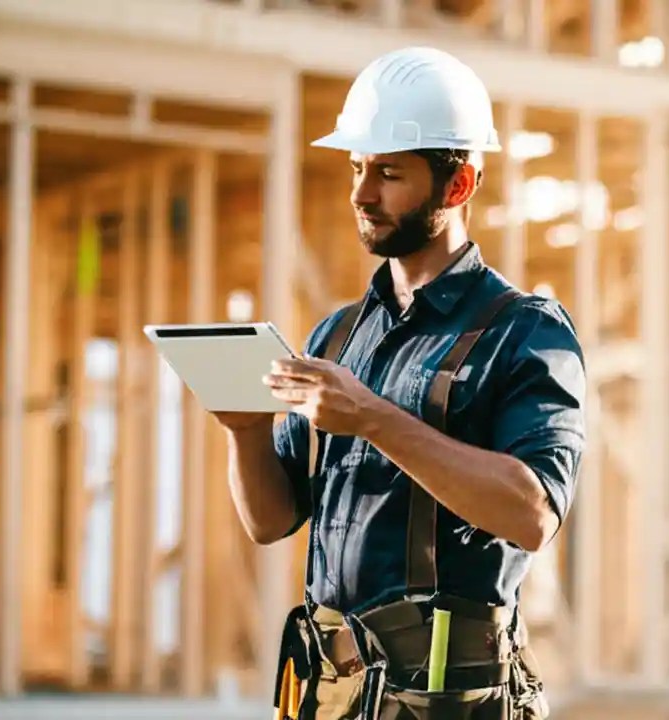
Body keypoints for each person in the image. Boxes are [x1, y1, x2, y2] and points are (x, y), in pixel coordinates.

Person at [214, 46, 586, 719]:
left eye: (388, 173)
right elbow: (270, 521)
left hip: (445, 701)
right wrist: (244, 431)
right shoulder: (337, 336)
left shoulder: (524, 332)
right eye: (357, 169)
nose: (361, 194)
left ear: (459, 186)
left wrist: (373, 419)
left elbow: (533, 515)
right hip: (330, 698)